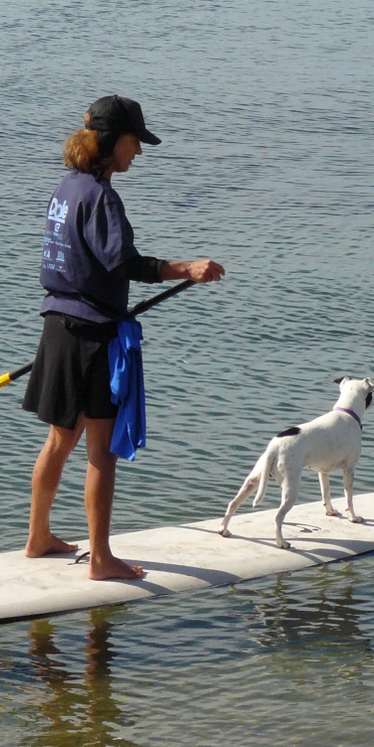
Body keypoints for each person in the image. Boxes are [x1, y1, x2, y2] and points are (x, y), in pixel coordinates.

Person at [22, 95, 224, 581]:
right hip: (92, 337)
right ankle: (100, 559)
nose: (139, 152)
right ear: (112, 142)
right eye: (135, 142)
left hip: (56, 328)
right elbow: (124, 263)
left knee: (58, 441)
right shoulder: (102, 197)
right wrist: (186, 269)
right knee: (101, 451)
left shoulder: (66, 189)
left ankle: (37, 537)